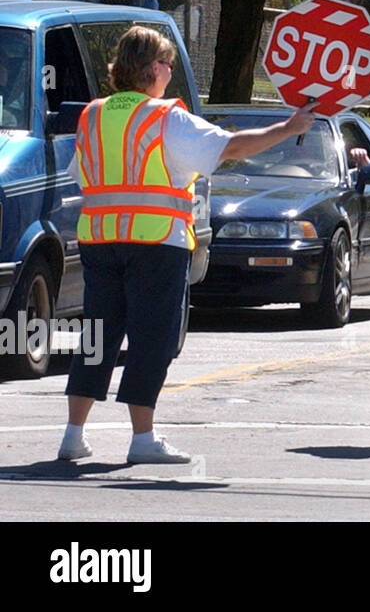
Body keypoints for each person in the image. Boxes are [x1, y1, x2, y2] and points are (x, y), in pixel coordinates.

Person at [59, 26, 316, 463]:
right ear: (154, 68)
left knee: (98, 336)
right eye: (168, 64)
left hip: (100, 239)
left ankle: (73, 435)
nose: (170, 72)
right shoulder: (164, 117)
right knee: (152, 339)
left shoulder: (93, 115)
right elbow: (230, 147)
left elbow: (80, 175)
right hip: (157, 241)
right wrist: (288, 127)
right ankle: (142, 440)